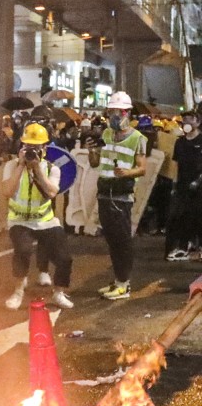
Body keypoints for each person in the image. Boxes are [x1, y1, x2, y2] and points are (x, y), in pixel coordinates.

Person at [1, 123, 74, 311]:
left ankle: (59, 292)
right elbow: (7, 191)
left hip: (45, 221)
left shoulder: (52, 169)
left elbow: (51, 193)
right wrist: (20, 166)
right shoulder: (11, 165)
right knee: (23, 250)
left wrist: (37, 170)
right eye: (28, 146)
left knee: (64, 257)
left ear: (45, 148)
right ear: (22, 146)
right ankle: (18, 291)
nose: (33, 150)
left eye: (37, 147)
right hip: (19, 220)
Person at [88, 91, 147, 300]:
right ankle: (117, 280)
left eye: (119, 111)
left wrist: (127, 172)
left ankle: (124, 284)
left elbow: (142, 168)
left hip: (122, 196)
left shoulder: (138, 139)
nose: (115, 115)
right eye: (112, 111)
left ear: (128, 113)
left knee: (122, 241)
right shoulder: (106, 135)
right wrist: (91, 151)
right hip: (104, 193)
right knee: (112, 241)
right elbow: (95, 163)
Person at [165, 110, 202, 261]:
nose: (187, 122)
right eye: (184, 120)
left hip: (199, 187)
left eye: (190, 119)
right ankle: (183, 247)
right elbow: (175, 165)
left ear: (197, 122)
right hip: (183, 186)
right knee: (182, 217)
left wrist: (198, 181)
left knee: (199, 216)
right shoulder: (180, 142)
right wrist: (174, 185)